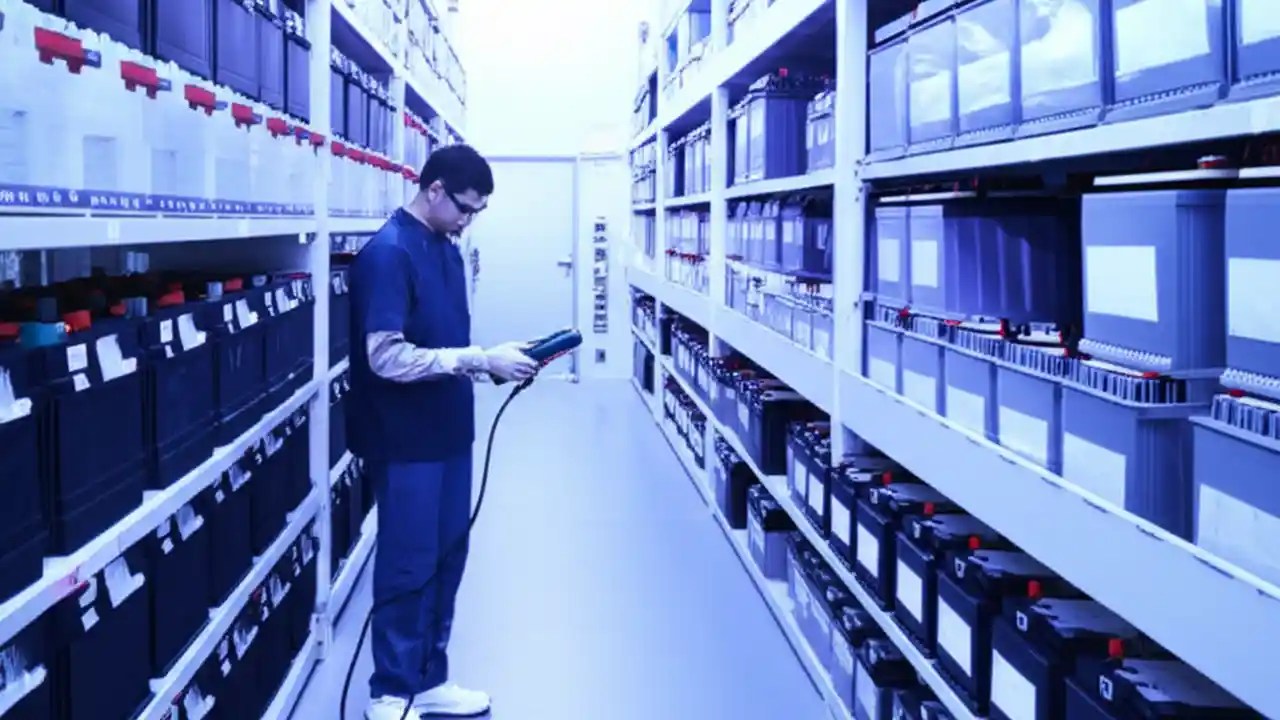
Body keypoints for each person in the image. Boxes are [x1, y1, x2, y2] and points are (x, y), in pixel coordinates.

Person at [346, 144, 538, 720]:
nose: (468, 219)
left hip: (450, 433)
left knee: (448, 555)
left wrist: (492, 362)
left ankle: (429, 679)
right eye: (464, 207)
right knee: (408, 563)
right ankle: (389, 693)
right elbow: (385, 356)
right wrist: (476, 359)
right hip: (404, 442)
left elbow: (445, 339)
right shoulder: (388, 254)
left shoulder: (448, 250)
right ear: (433, 190)